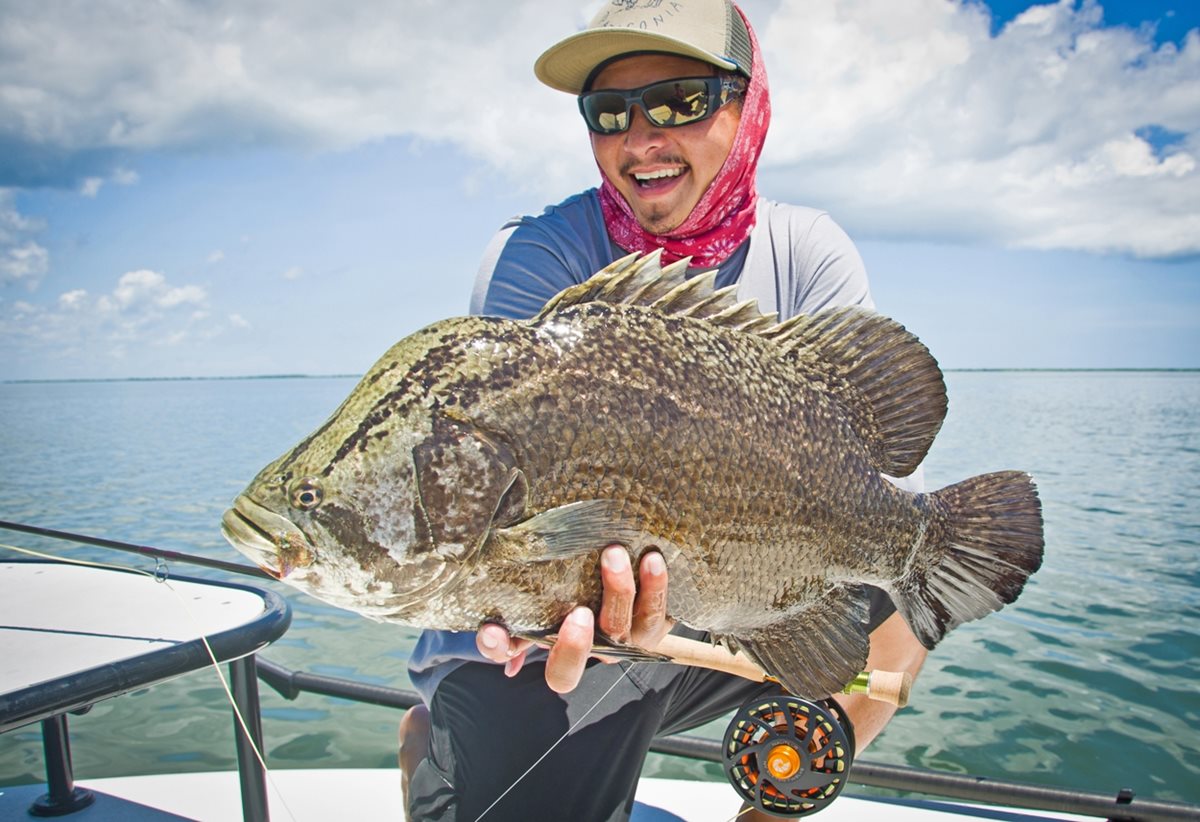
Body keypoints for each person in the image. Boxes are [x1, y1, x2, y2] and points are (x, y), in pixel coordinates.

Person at [401, 1, 928, 819]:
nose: (641, 139)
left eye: (680, 102)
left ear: (747, 107)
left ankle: (767, 808)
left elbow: (867, 467)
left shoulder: (805, 250)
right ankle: (435, 746)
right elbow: (510, 507)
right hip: (546, 644)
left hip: (722, 595)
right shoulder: (537, 257)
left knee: (905, 599)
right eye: (609, 112)